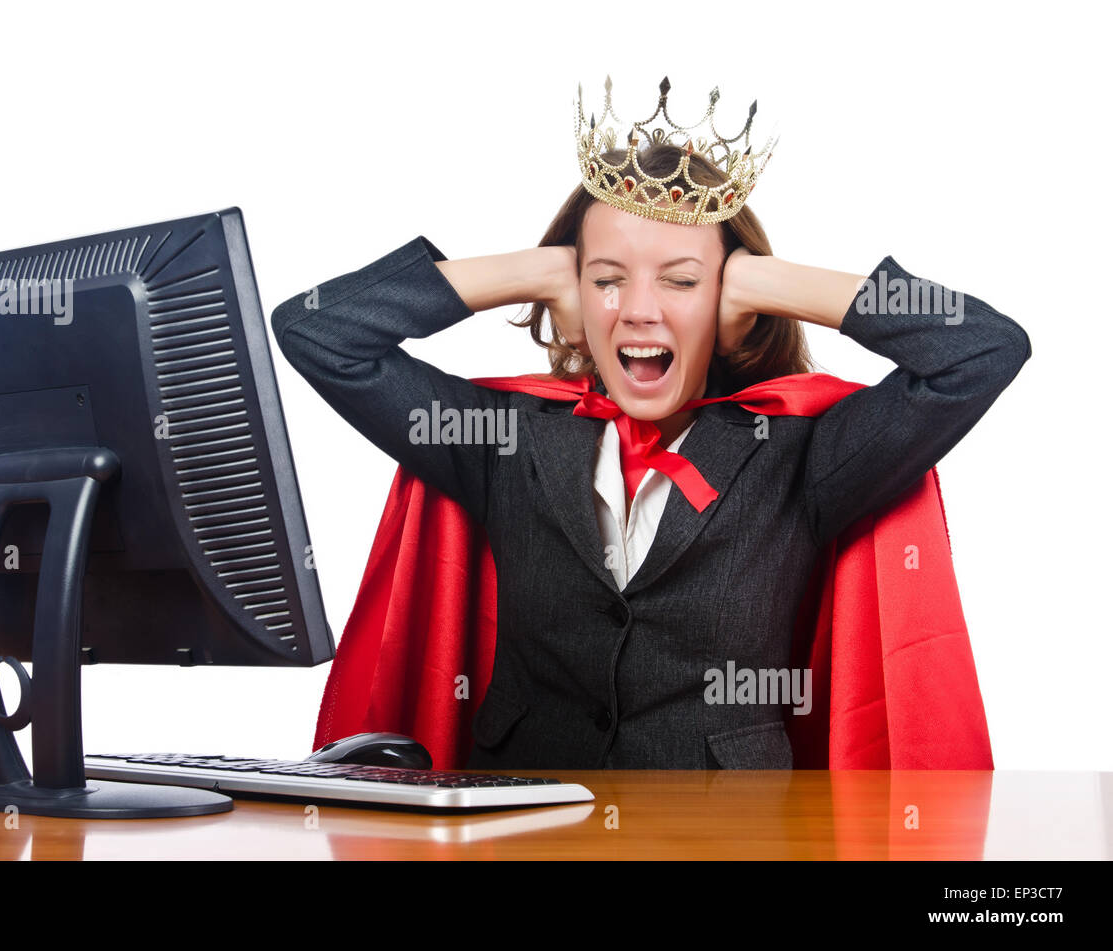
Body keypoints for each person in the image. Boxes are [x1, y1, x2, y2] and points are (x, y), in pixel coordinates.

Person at [270, 84, 1030, 770]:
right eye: (606, 279)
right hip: (528, 828)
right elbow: (321, 333)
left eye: (682, 280)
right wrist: (530, 271)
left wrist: (771, 282)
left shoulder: (805, 457)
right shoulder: (500, 440)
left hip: (728, 843)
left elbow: (982, 351)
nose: (639, 309)